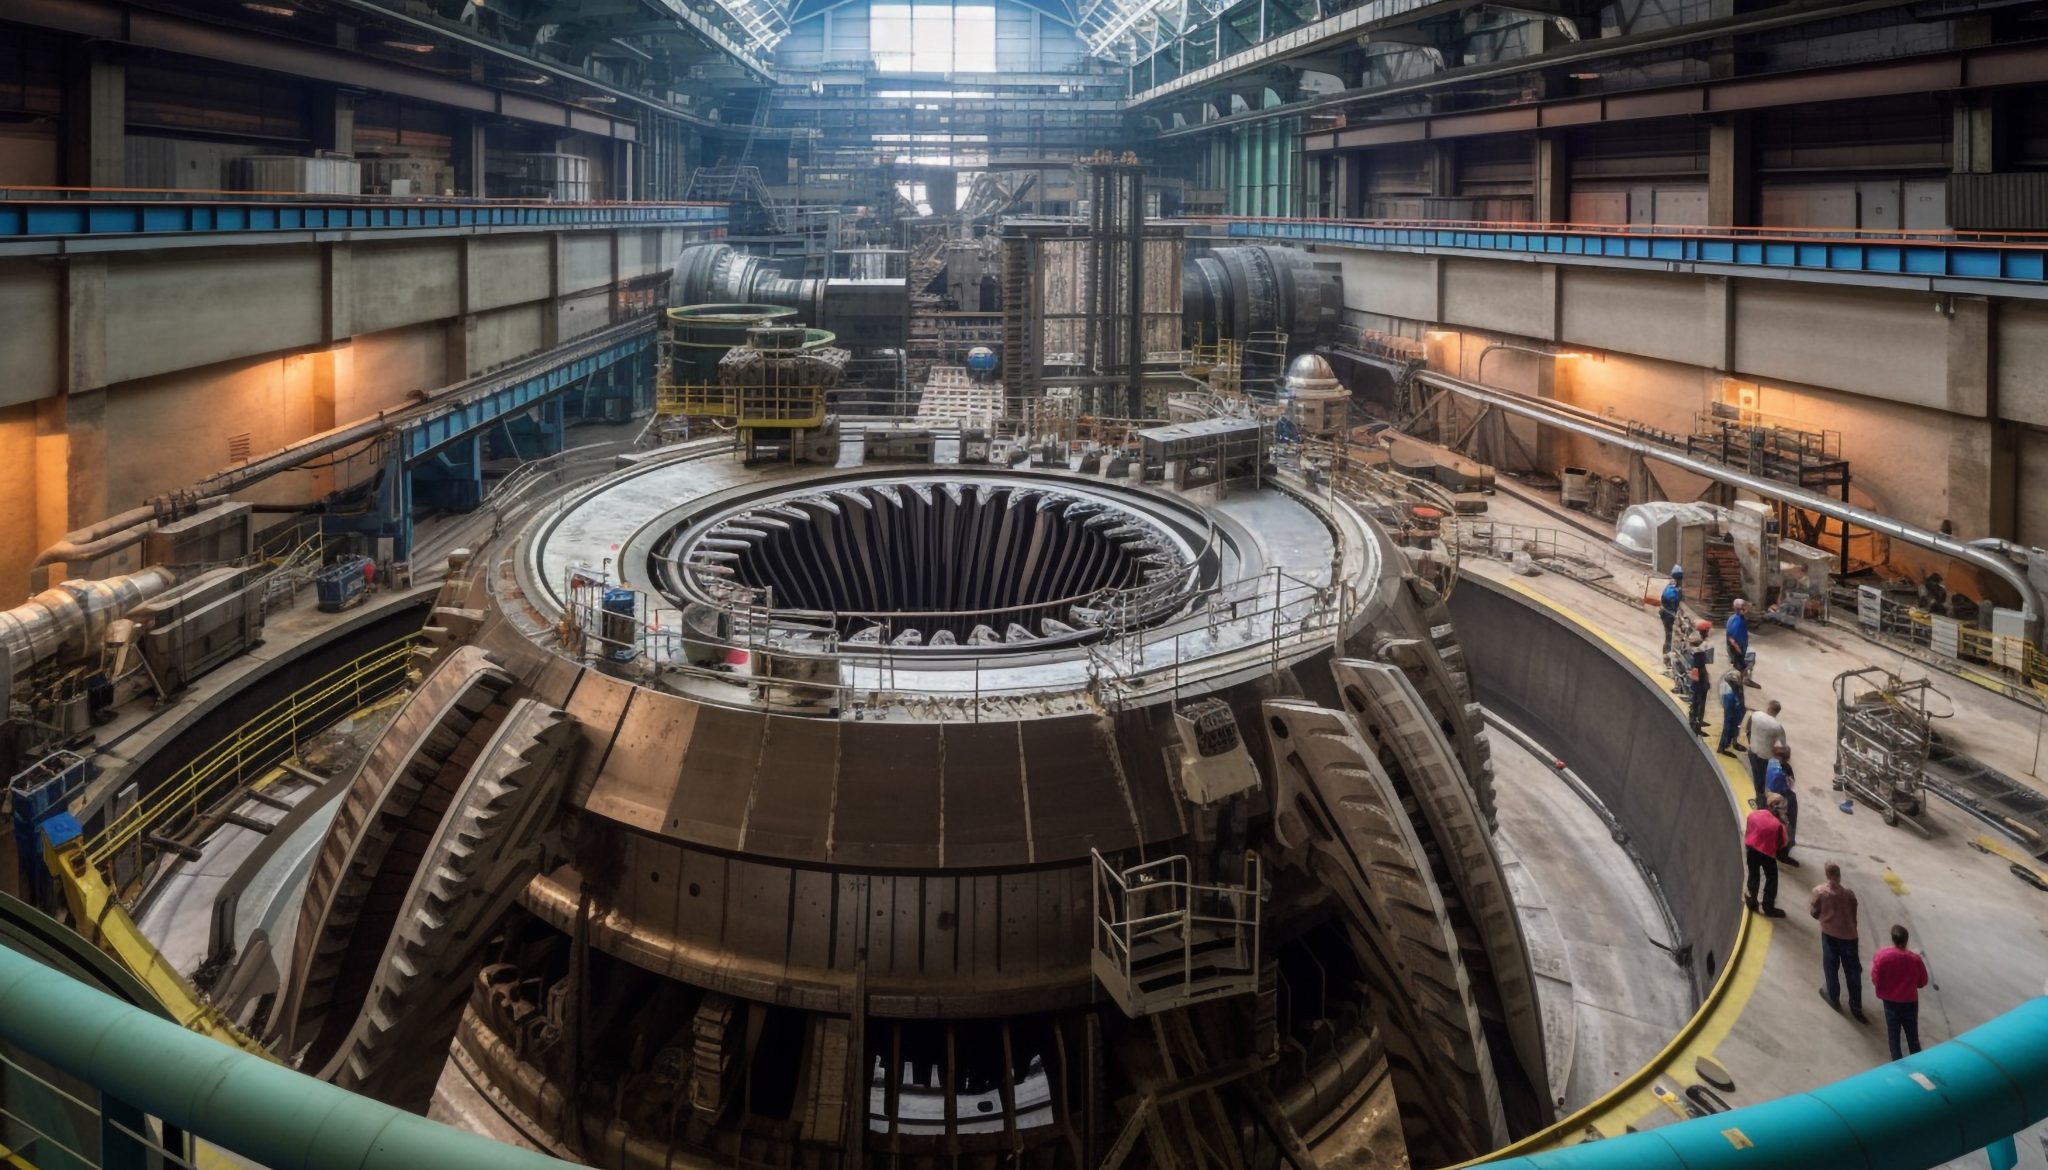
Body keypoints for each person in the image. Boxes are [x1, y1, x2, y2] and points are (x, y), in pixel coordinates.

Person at [1809, 863, 1866, 1022]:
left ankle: (1833, 996)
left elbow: (1814, 912)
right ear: (1839, 875)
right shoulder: (1850, 895)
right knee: (1853, 971)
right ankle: (1856, 1005)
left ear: (1827, 875)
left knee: (1831, 966)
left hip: (1830, 935)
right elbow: (1854, 918)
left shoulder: (1819, 892)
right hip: (1850, 937)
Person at [1871, 924, 1930, 1060]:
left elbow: (1875, 978)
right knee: (1912, 1035)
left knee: (1894, 1035)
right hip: (1910, 1002)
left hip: (1890, 1002)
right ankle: (1918, 1062)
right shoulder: (1915, 959)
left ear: (1893, 939)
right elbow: (1922, 982)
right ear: (1906, 940)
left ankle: (1896, 1063)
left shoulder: (1882, 956)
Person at [1743, 794, 1789, 917]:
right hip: (1767, 853)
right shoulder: (1778, 826)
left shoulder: (1756, 814)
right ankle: (1768, 906)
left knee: (1753, 874)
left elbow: (1748, 827)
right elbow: (1781, 843)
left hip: (1751, 849)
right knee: (1771, 877)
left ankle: (1752, 900)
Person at [1744, 700, 1786, 810]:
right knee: (1760, 778)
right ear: (1777, 712)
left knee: (1757, 778)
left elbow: (1747, 727)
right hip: (1765, 756)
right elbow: (1782, 744)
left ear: (1768, 708)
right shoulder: (1777, 727)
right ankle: (1760, 800)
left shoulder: (1757, 715)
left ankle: (1760, 802)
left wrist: (1750, 740)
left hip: (1753, 750)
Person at [1766, 743, 1801, 868]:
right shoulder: (1784, 771)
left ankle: (1771, 846)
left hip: (1771, 799)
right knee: (1788, 826)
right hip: (1784, 801)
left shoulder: (1771, 763)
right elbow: (1790, 786)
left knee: (1775, 825)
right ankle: (1783, 852)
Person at [1716, 667, 1748, 756]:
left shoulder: (1740, 675)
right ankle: (1721, 747)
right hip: (1729, 698)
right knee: (1728, 724)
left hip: (1733, 698)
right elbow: (1731, 680)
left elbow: (1745, 683)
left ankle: (1733, 741)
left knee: (1737, 722)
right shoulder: (1734, 675)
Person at [1685, 634, 1711, 736]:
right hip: (1700, 685)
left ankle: (1696, 720)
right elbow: (1697, 672)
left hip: (1698, 684)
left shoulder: (1693, 652)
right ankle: (1696, 725)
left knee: (1696, 704)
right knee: (1699, 705)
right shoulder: (1698, 654)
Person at [1659, 566, 1685, 653]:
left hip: (1668, 612)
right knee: (1669, 635)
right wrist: (1678, 593)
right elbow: (1670, 598)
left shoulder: (1674, 585)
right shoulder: (1673, 587)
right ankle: (1667, 657)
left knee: (1671, 634)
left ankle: (1668, 654)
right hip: (1667, 613)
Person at [1726, 598, 1753, 680]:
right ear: (1741, 609)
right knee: (1739, 667)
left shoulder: (1737, 617)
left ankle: (1741, 678)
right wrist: (1740, 652)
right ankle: (1738, 682)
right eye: (1745, 608)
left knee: (1741, 666)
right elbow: (1732, 640)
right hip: (1737, 649)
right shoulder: (1737, 621)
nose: (1747, 609)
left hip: (1739, 647)